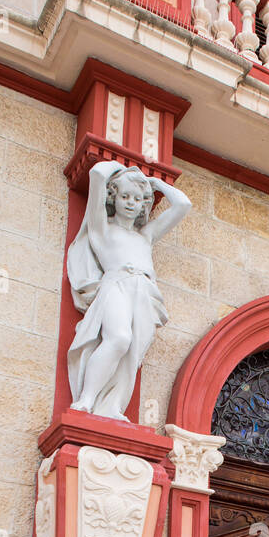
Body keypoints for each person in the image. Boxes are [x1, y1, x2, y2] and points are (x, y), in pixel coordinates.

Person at [66, 160, 191, 419]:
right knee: (119, 338)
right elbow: (97, 174)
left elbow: (182, 205)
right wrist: (120, 166)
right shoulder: (102, 228)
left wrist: (155, 184)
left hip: (145, 291)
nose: (131, 203)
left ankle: (112, 407)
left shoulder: (145, 235)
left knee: (133, 353)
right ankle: (87, 399)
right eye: (124, 196)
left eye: (137, 198)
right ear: (114, 196)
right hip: (117, 284)